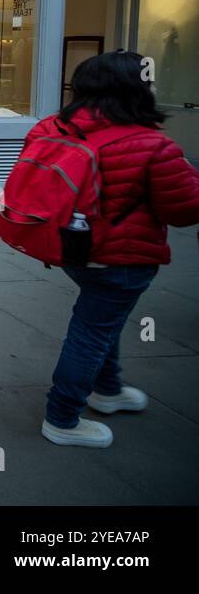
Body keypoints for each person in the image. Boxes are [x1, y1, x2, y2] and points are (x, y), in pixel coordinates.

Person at [37, 51, 199, 448]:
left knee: (100, 321)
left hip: (72, 249)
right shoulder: (151, 144)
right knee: (92, 330)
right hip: (121, 257)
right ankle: (62, 417)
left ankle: (107, 390)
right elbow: (185, 210)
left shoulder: (53, 127)